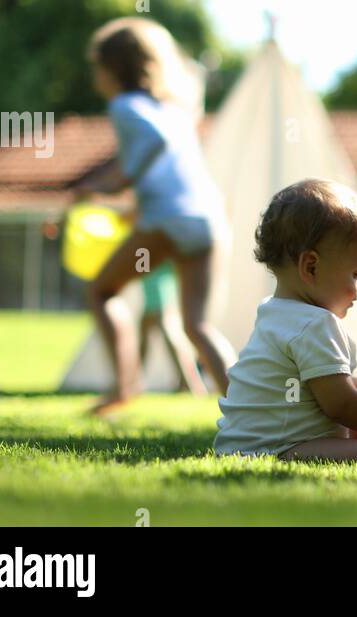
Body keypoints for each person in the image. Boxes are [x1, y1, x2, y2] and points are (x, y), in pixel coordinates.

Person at [71, 17, 235, 414]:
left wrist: (121, 180)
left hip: (170, 220)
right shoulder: (173, 109)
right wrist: (116, 190)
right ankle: (252, 409)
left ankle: (124, 385)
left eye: (98, 67)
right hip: (208, 220)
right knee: (198, 326)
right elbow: (165, 167)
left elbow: (151, 146)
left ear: (114, 69)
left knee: (101, 291)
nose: (95, 77)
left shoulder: (125, 105)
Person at [214, 179, 357, 464]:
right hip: (274, 449)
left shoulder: (277, 312)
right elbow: (341, 404)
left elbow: (324, 383)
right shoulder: (314, 323)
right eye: (356, 275)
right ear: (311, 267)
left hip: (248, 446)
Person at [138, 262, 207, 395]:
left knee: (173, 341)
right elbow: (140, 268)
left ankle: (193, 385)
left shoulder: (163, 248)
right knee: (143, 344)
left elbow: (178, 267)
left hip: (163, 300)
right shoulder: (145, 251)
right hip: (149, 301)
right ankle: (132, 384)